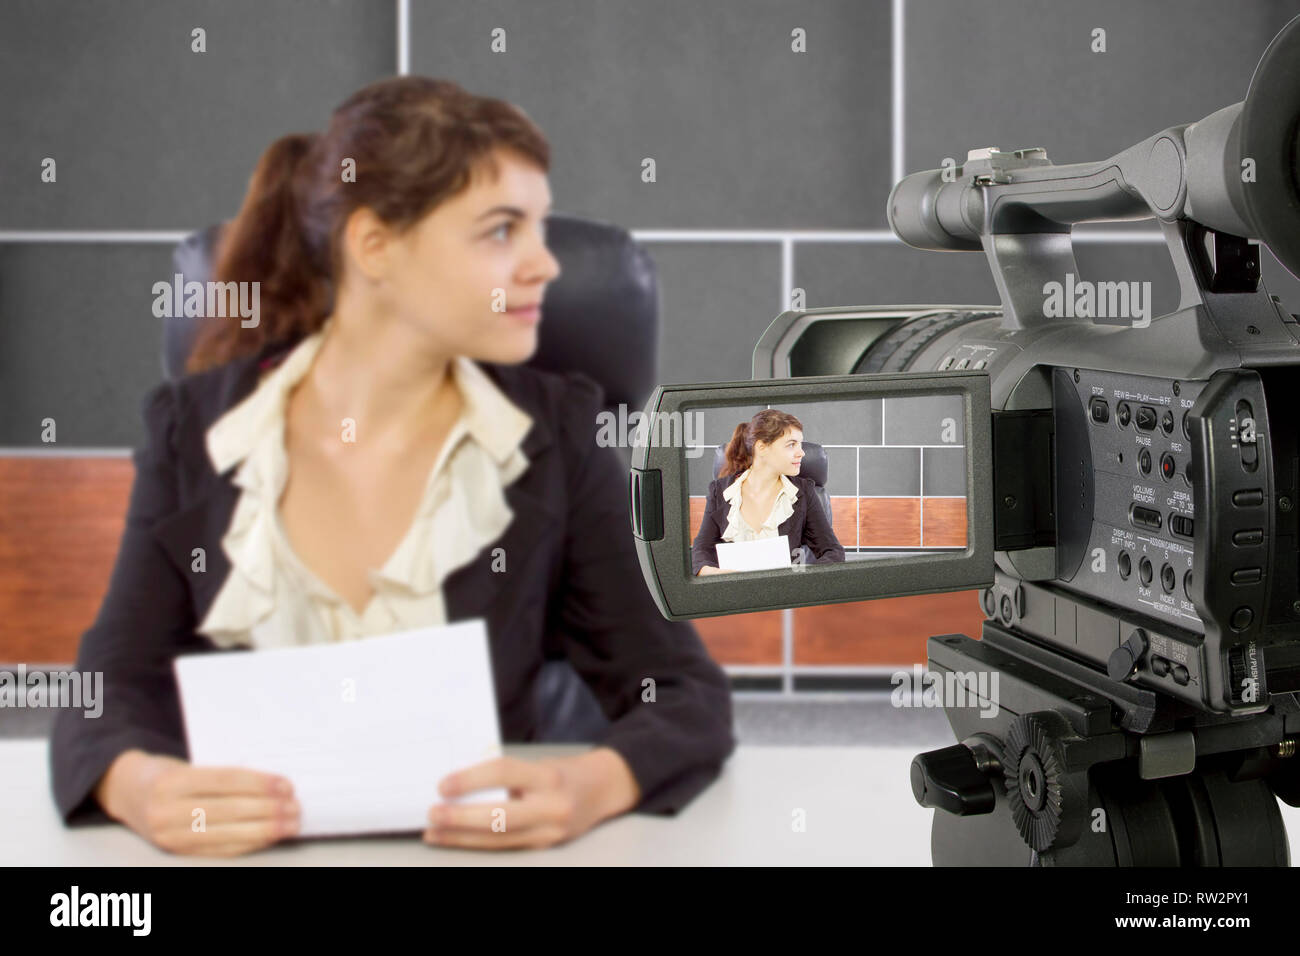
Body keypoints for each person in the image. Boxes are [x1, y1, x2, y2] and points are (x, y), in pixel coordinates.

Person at [48, 76, 734, 857]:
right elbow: (105, 689)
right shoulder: (195, 433)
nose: (545, 264)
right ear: (375, 245)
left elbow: (683, 694)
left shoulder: (555, 434)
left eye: (539, 228)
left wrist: (590, 787)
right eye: (502, 230)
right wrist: (140, 789)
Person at [692, 409, 845, 575]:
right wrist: (710, 573)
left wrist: (802, 582)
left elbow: (833, 552)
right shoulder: (720, 492)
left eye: (800, 444)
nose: (801, 453)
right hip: (733, 592)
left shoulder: (803, 492)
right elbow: (702, 550)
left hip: (785, 593)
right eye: (791, 444)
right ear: (762, 447)